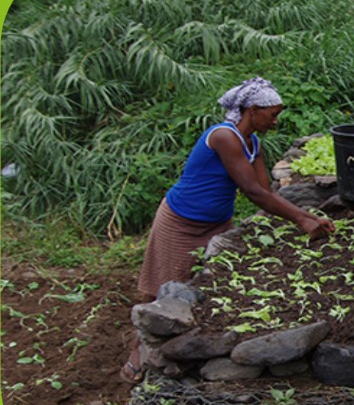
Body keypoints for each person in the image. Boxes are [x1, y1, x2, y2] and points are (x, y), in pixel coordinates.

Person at [121, 77, 336, 383]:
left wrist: (309, 215)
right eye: (272, 114)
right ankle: (138, 353)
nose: (276, 121)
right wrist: (302, 221)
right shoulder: (224, 137)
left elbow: (268, 192)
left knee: (206, 283)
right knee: (160, 289)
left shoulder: (253, 143)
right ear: (251, 110)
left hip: (216, 222)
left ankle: (182, 352)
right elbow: (252, 191)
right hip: (180, 221)